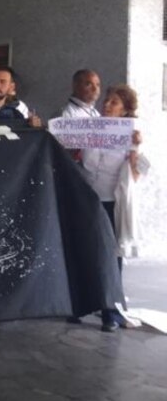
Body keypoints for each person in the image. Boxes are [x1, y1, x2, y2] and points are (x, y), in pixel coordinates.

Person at [77, 85, 147, 332]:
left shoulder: (131, 135)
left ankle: (111, 311)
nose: (107, 105)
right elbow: (83, 162)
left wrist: (136, 150)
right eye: (107, 101)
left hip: (111, 201)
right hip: (88, 197)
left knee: (110, 256)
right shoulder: (91, 128)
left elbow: (140, 173)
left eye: (115, 102)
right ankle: (83, 305)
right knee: (86, 251)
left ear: (126, 110)